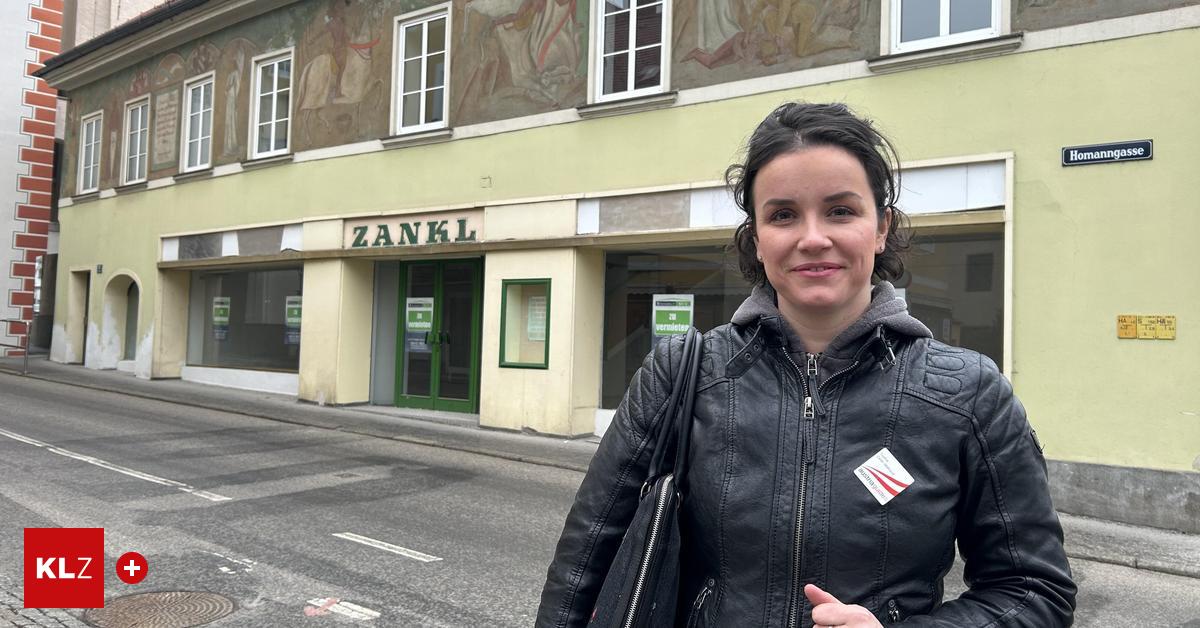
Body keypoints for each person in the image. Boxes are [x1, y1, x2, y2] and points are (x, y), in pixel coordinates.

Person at [537, 102, 1076, 627]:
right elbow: (587, 560)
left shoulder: (968, 393)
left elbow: (1034, 592)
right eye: (783, 215)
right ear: (757, 237)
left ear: (881, 226)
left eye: (841, 210)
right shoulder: (682, 374)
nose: (813, 238)